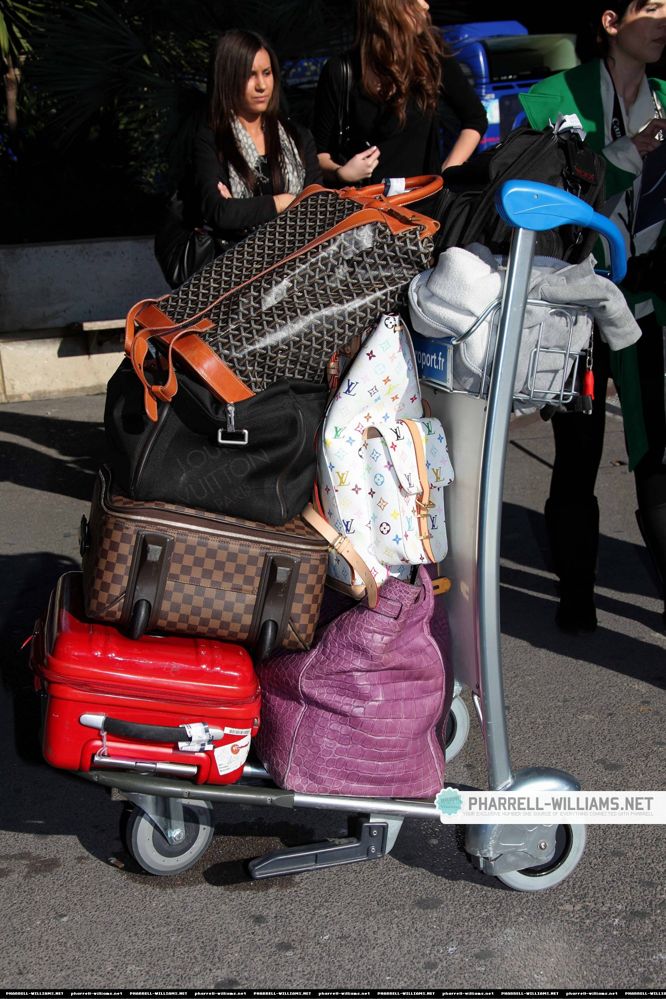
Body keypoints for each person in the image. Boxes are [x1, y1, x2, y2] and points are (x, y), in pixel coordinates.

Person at [519, 0, 666, 632]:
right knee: (577, 452)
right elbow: (540, 196)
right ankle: (576, 592)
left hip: (652, 296)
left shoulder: (665, 95)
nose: (665, 20)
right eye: (653, 7)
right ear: (612, 22)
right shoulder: (554, 97)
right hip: (574, 296)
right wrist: (631, 148)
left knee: (655, 450)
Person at [312, 0, 487, 188]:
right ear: (383, 11)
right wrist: (342, 173)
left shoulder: (431, 58)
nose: (425, 6)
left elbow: (475, 118)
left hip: (421, 205)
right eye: (412, 1)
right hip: (365, 208)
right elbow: (317, 155)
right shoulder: (342, 71)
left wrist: (447, 171)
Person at [192, 29, 321, 243]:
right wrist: (280, 203)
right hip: (239, 268)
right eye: (250, 75)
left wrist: (243, 209)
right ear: (228, 78)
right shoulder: (212, 140)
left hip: (300, 261)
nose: (262, 85)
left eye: (267, 73)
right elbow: (220, 212)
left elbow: (317, 208)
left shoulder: (298, 137)